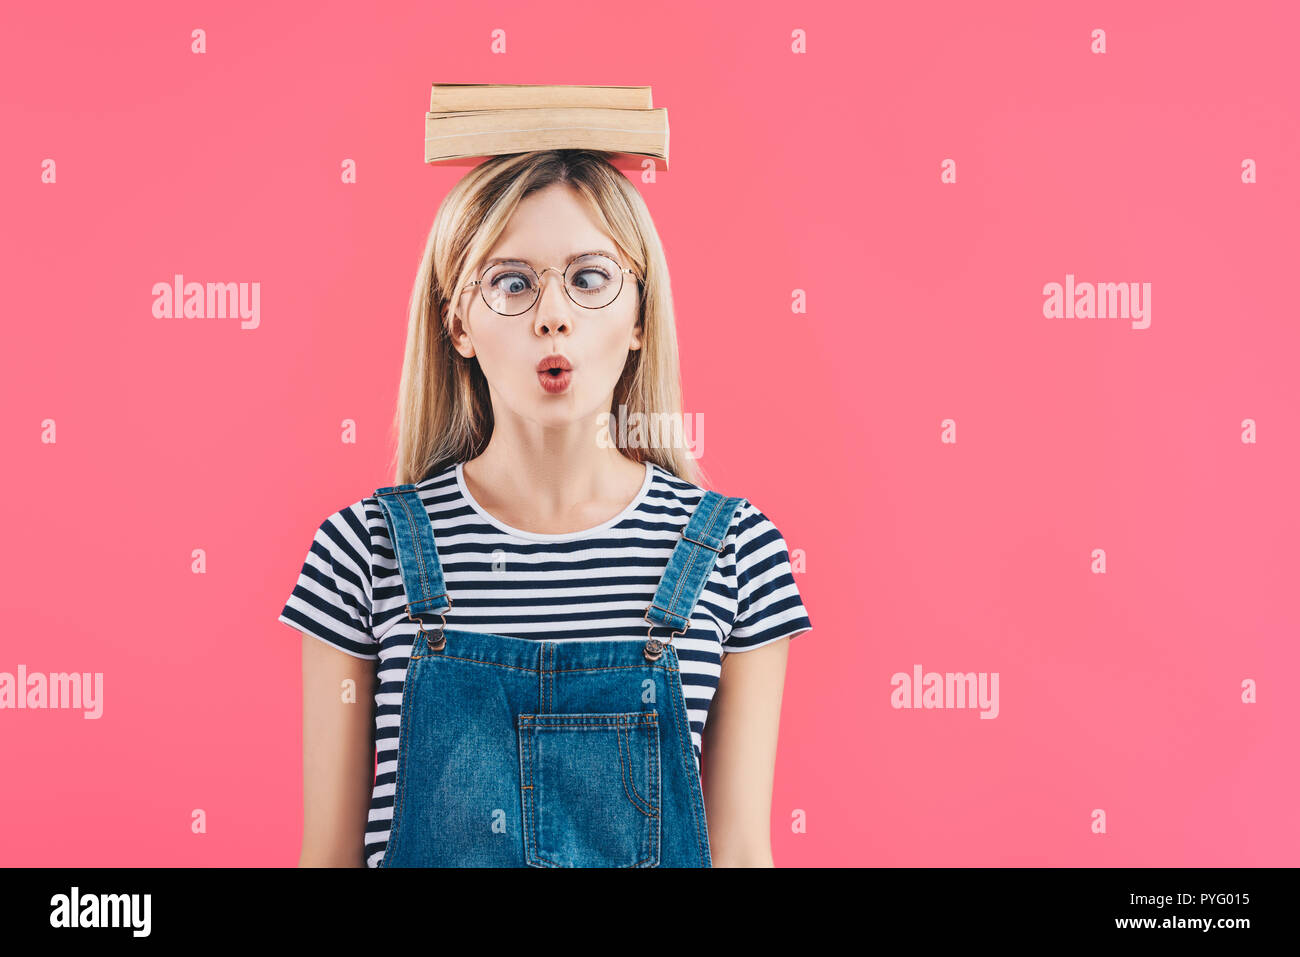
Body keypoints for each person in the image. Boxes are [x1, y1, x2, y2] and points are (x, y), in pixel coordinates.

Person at [279, 149, 812, 867]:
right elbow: (329, 856)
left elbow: (743, 851)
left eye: (590, 278)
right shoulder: (362, 550)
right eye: (512, 283)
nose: (553, 316)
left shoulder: (736, 550)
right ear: (458, 325)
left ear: (639, 319)